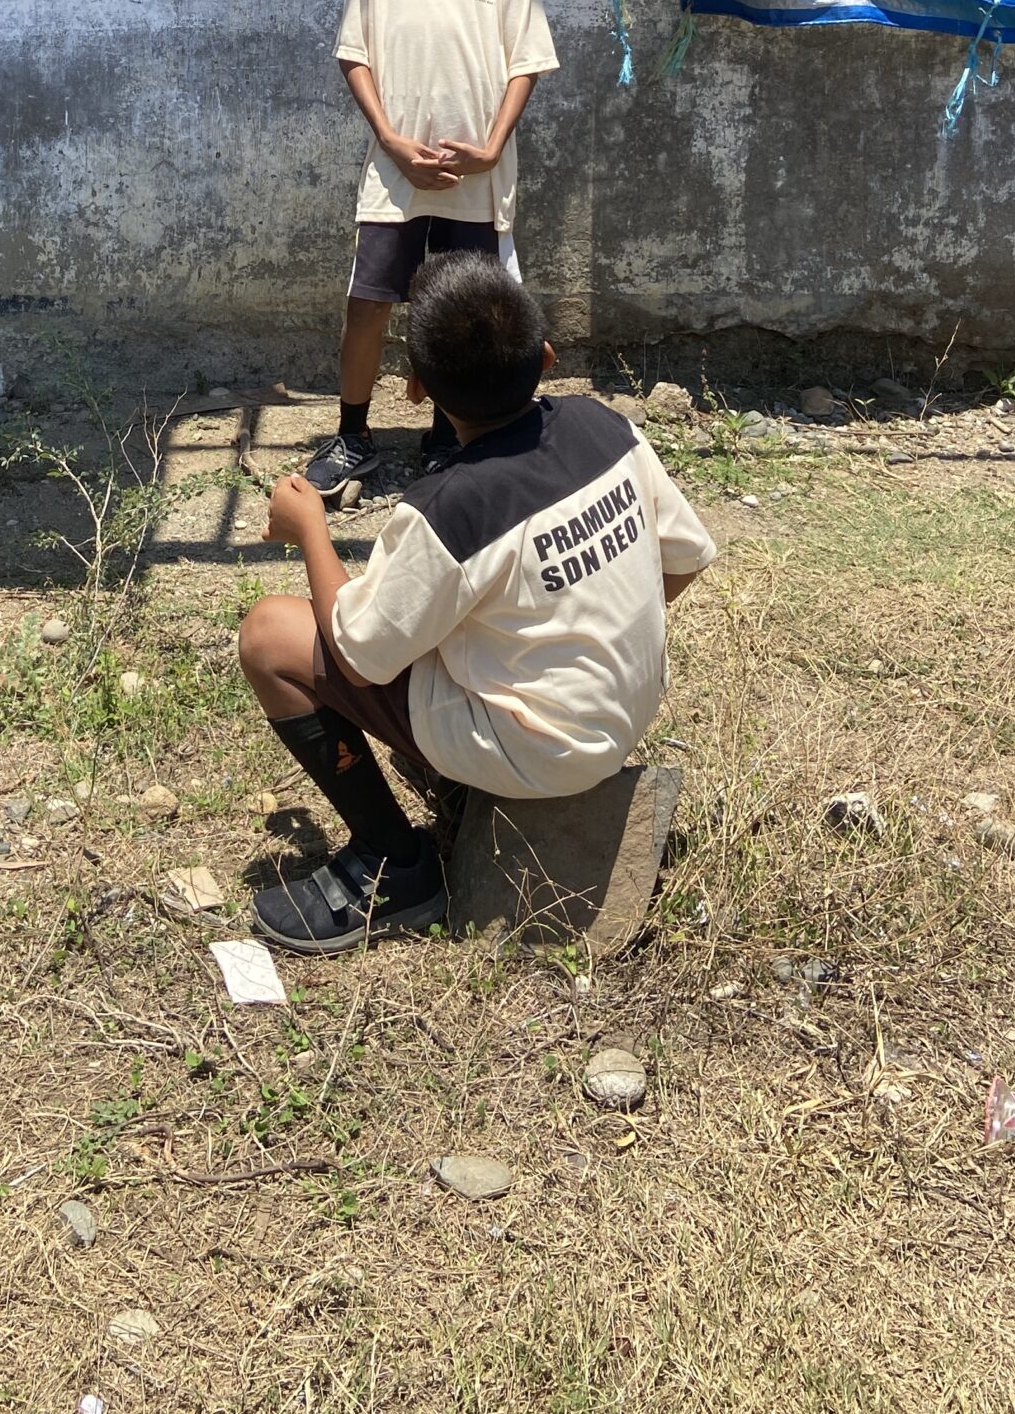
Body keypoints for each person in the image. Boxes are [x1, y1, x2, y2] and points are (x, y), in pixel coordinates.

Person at [239, 255, 716, 952]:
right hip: (626, 712)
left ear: (416, 388)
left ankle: (393, 863)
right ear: (548, 358)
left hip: (541, 750)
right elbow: (682, 559)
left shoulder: (448, 507)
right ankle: (465, 786)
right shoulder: (604, 428)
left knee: (269, 635)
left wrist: (309, 528)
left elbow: (359, 655)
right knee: (442, 619)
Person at [304, 0, 558, 501]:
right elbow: (356, 52)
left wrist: (491, 147)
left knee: (467, 315)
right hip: (395, 172)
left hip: (476, 176)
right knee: (369, 303)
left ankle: (452, 437)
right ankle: (354, 436)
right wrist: (391, 141)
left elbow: (526, 62)